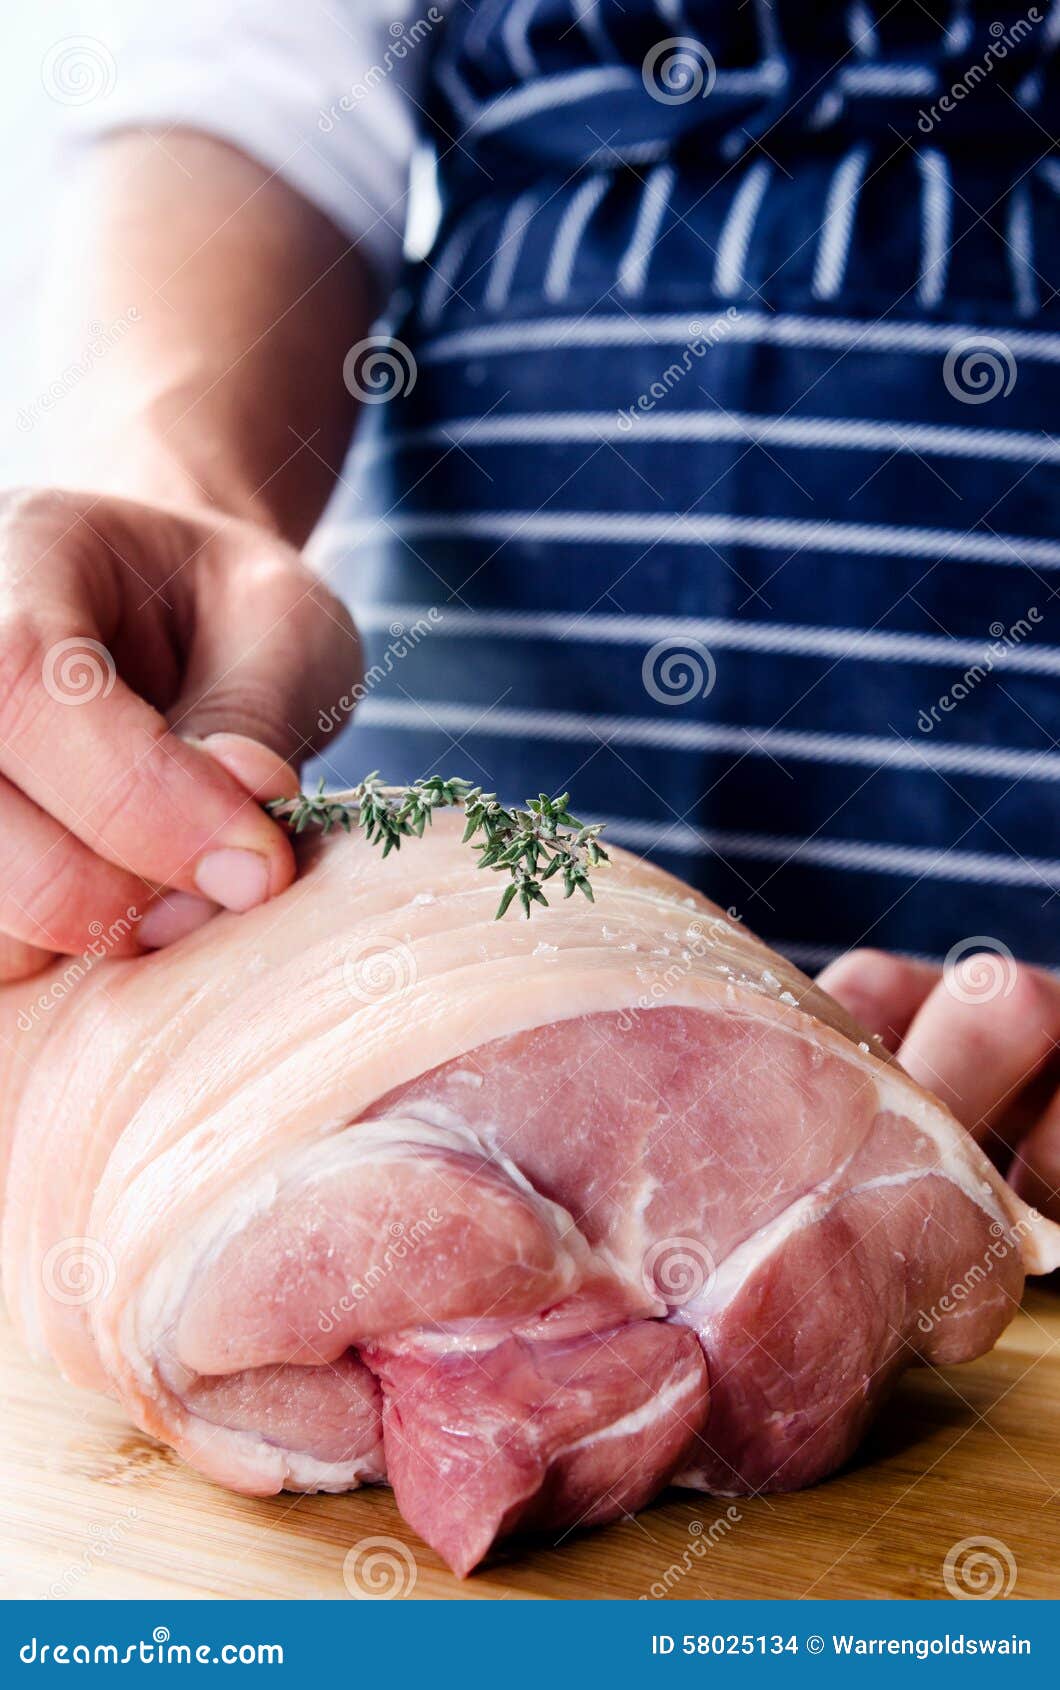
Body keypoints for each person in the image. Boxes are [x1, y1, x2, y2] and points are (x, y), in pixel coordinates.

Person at [3, 1, 1058, 1211]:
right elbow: (248, 76)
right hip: (440, 856)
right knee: (385, 1219)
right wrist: (166, 517)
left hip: (1021, 986)